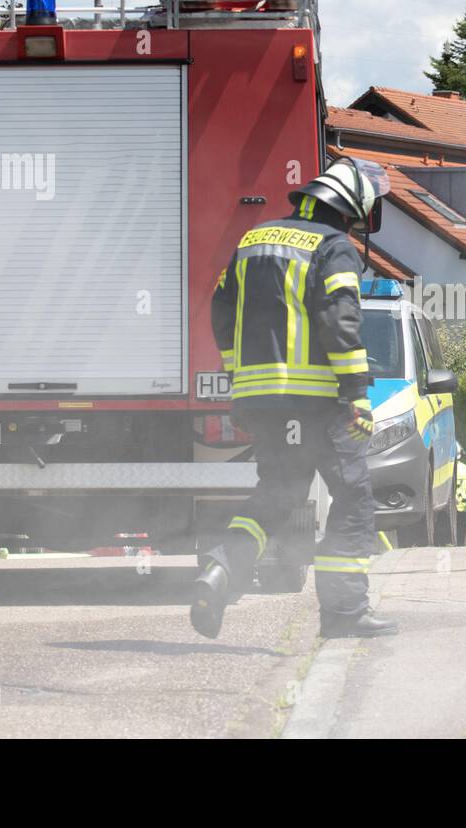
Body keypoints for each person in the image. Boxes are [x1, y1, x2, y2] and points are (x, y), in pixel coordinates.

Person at [193, 157, 397, 640]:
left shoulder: (253, 241)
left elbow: (221, 310)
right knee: (352, 495)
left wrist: (236, 373)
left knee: (279, 494)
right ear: (349, 211)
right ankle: (345, 613)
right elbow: (339, 320)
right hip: (318, 403)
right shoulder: (333, 248)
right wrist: (358, 395)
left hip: (260, 400)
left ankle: (221, 568)